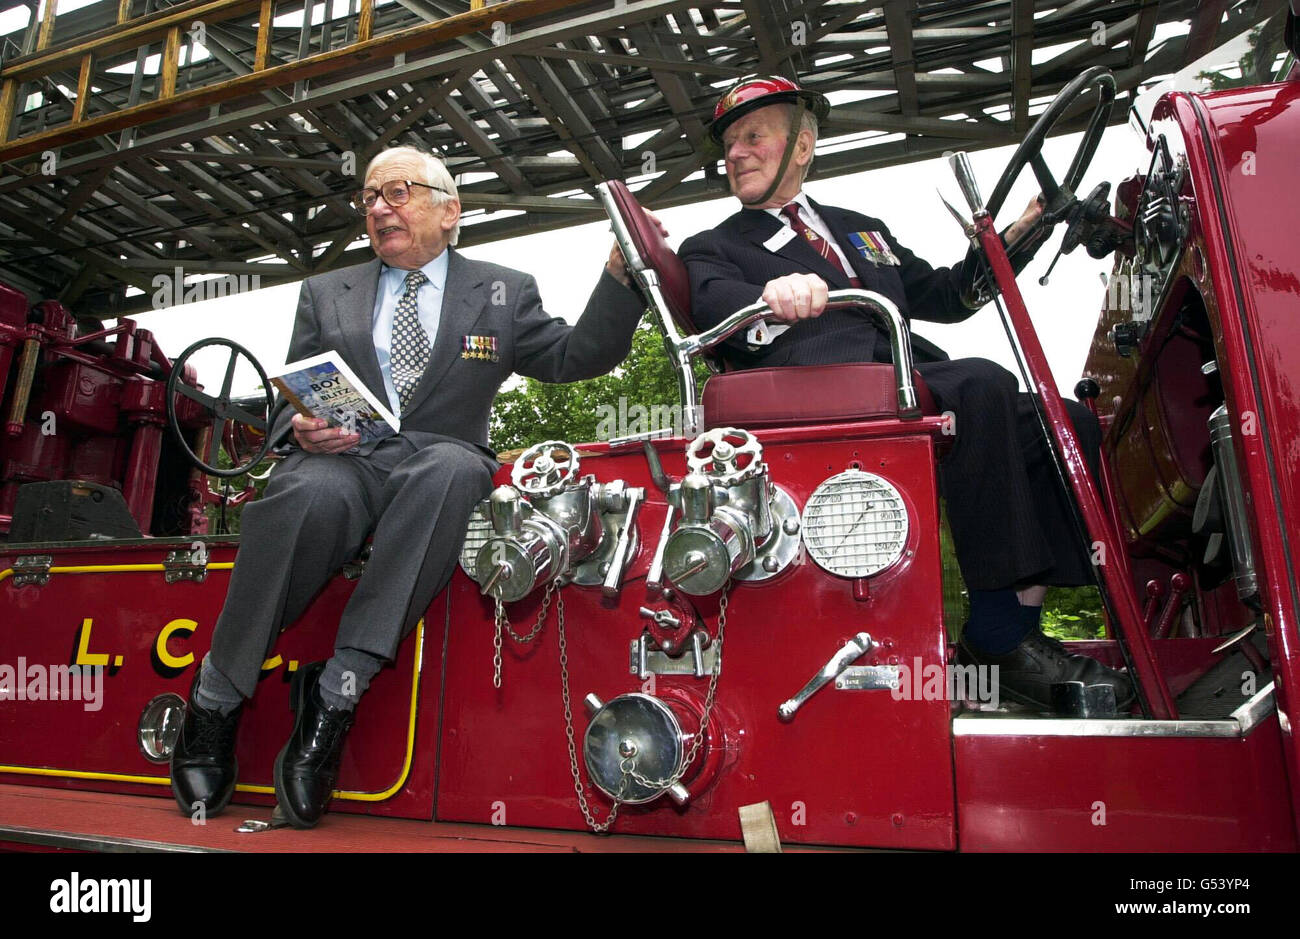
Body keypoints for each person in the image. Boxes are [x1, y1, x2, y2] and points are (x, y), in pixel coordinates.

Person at [170, 145, 651, 828]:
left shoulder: (504, 290)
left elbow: (579, 355)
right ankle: (214, 701)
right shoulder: (323, 291)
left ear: (449, 211)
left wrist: (619, 280)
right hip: (342, 462)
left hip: (436, 463)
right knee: (303, 495)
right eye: (369, 196)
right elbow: (290, 396)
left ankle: (335, 696)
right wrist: (300, 427)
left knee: (455, 470)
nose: (379, 207)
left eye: (397, 191)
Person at [679, 75, 1133, 713]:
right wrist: (772, 302)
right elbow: (715, 308)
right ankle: (1003, 638)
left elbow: (950, 296)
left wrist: (1022, 233)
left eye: (753, 137)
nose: (736, 154)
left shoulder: (862, 229)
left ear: (802, 146)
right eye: (729, 145)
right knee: (982, 383)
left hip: (908, 380)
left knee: (1067, 426)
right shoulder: (717, 246)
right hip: (826, 392)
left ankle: (1014, 632)